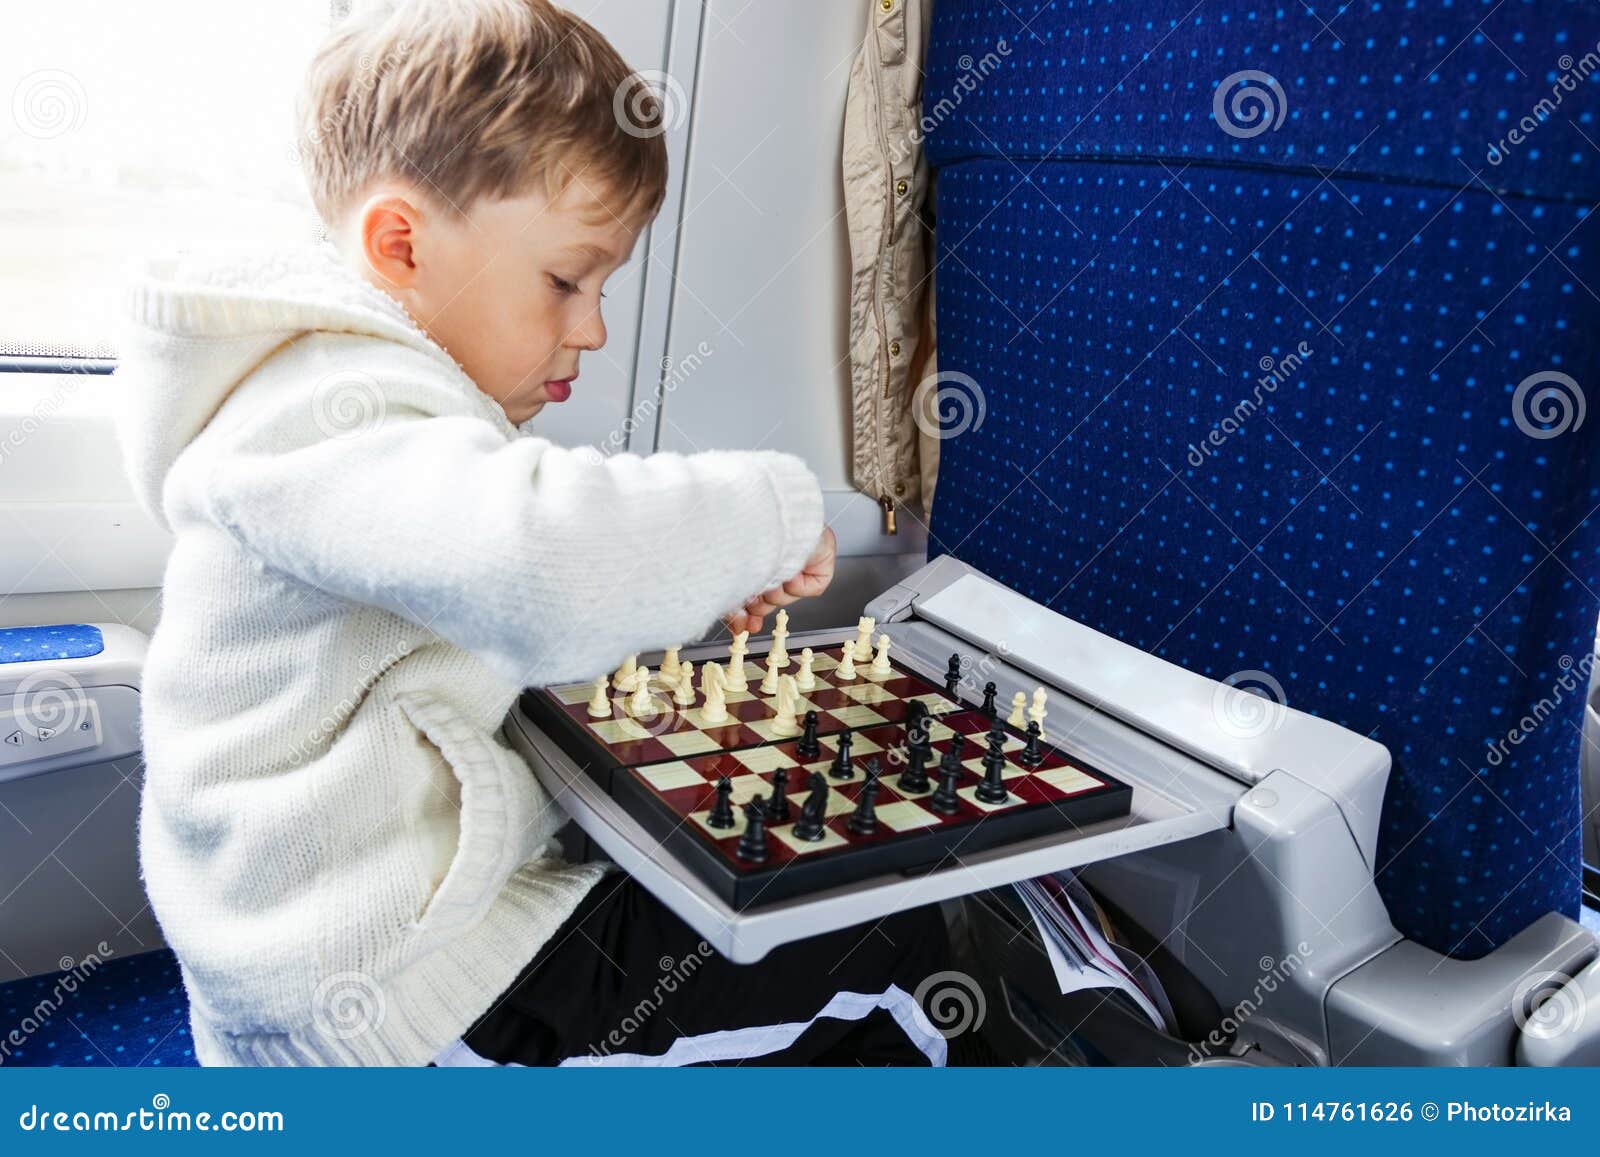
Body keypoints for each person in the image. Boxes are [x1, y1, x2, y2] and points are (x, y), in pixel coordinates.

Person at [113, 0, 947, 1067]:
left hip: (368, 953)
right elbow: (536, 559)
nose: (593, 325)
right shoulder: (324, 412)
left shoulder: (342, 402)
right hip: (394, 1003)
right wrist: (771, 510)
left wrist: (683, 577)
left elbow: (506, 534)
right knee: (894, 941)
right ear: (401, 242)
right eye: (565, 278)